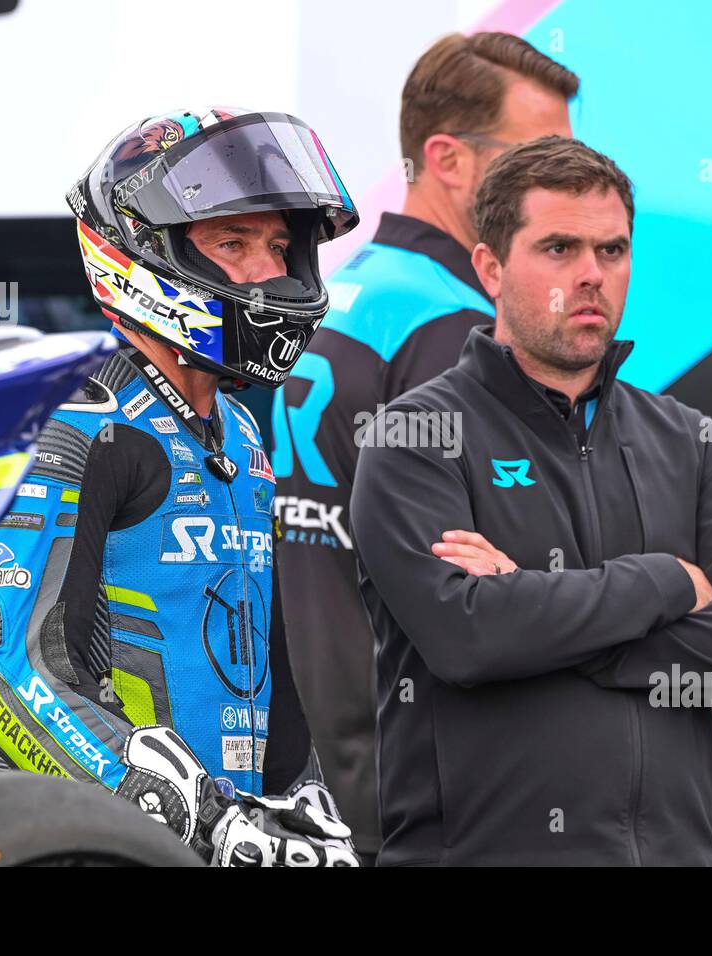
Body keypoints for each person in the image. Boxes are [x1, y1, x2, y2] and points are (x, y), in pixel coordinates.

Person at [349, 136, 712, 865]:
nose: (591, 275)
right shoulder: (415, 438)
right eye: (558, 249)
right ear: (490, 268)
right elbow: (469, 638)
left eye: (611, 251)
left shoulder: (692, 440)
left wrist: (538, 609)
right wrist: (668, 581)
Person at [0, 107, 362, 866]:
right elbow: (13, 678)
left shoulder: (240, 430)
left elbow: (261, 661)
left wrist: (296, 806)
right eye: (232, 244)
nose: (267, 273)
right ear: (146, 252)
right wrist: (193, 815)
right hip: (87, 845)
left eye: (278, 247)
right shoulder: (75, 427)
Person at [271, 32, 579, 859]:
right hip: (420, 797)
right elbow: (492, 601)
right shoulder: (457, 332)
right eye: (542, 157)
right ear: (448, 159)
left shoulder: (338, 298)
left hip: (309, 775)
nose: (566, 186)